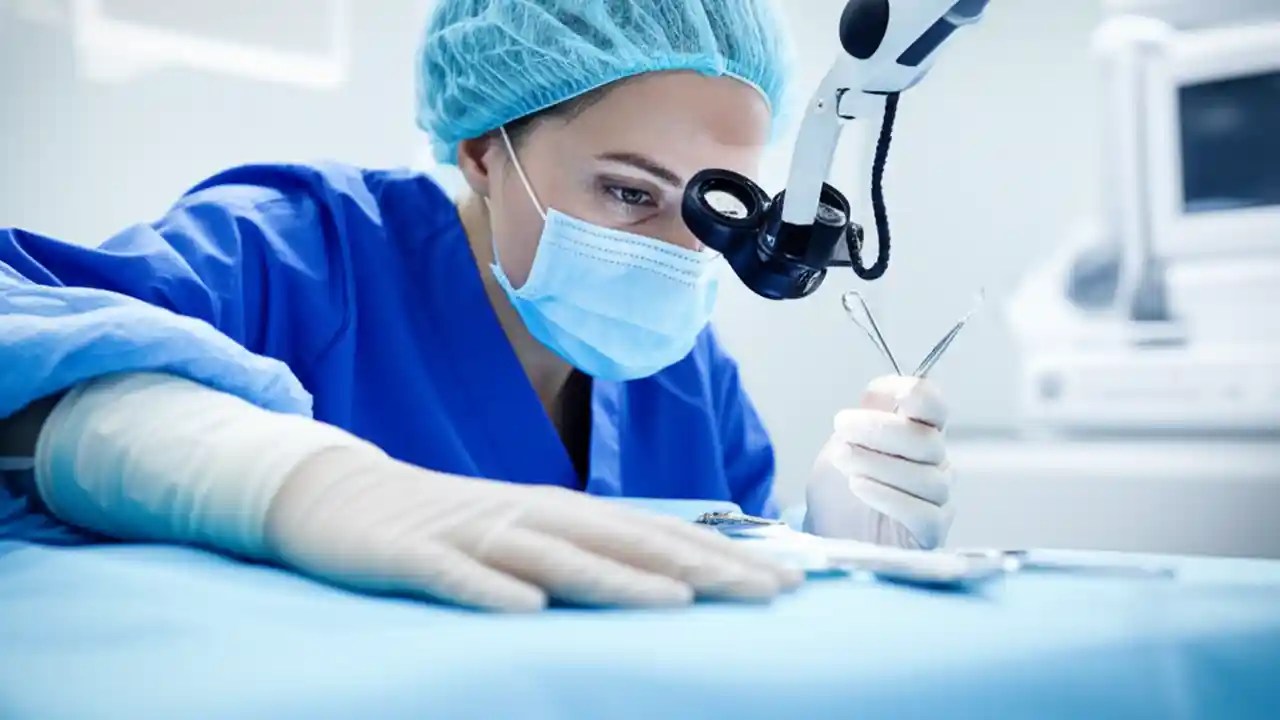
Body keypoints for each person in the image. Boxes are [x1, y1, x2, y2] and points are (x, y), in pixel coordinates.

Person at [0, 0, 954, 612]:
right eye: (628, 192)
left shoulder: (687, 381)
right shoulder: (291, 256)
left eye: (715, 207)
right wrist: (277, 483)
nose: (676, 252)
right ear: (484, 154)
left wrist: (833, 554)